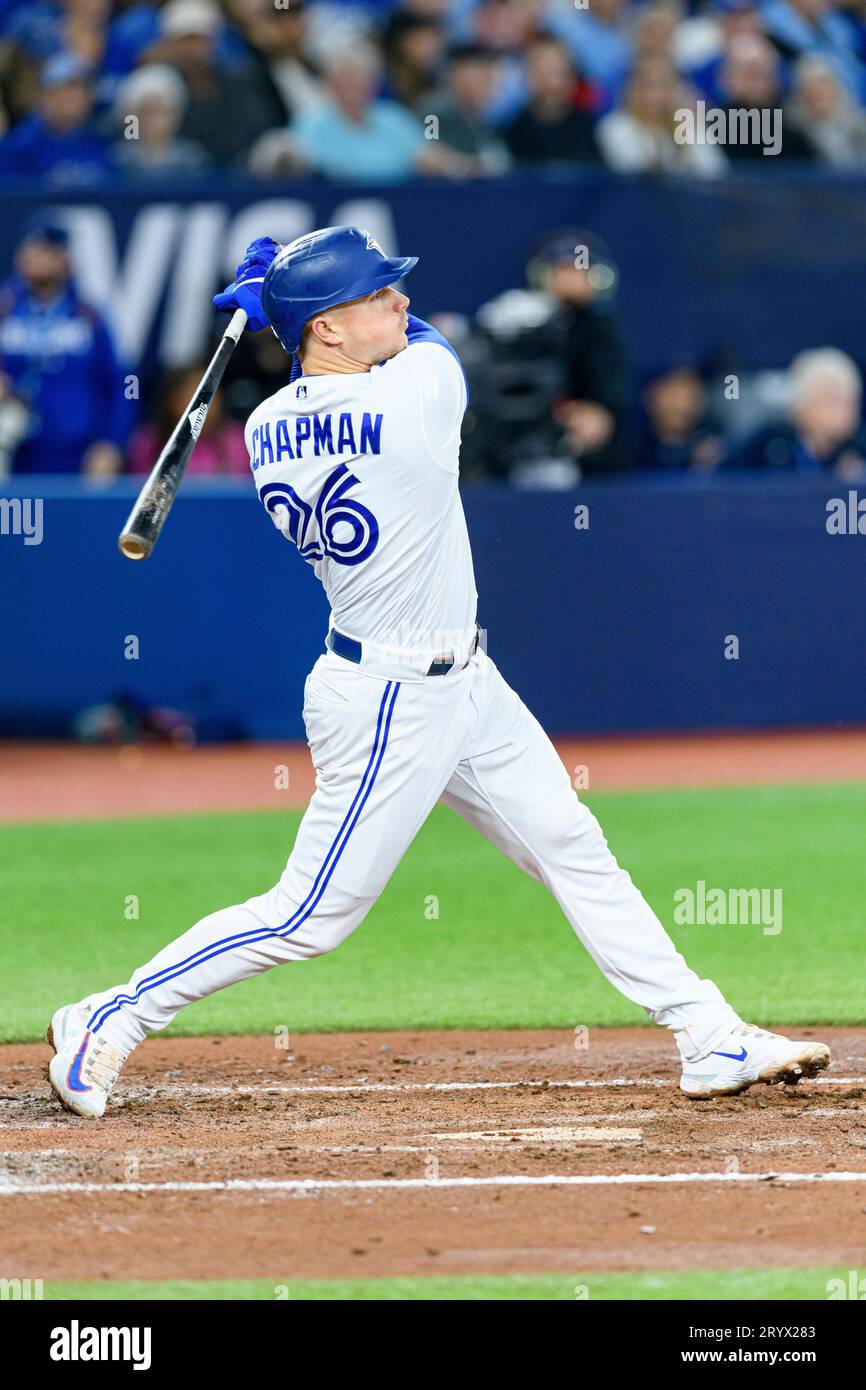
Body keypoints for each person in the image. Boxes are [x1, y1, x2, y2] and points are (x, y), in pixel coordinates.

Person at [46, 225, 831, 1119]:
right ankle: (108, 1016)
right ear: (330, 329)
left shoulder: (266, 426)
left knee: (569, 842)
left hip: (456, 679)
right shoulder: (416, 397)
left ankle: (708, 1033)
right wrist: (283, 297)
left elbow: (351, 361)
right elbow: (432, 348)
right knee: (311, 915)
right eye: (376, 294)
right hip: (391, 698)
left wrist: (281, 306)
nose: (402, 303)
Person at [0, 219, 132, 476]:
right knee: (20, 517)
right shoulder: (4, 311)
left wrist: (113, 442)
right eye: (30, 249)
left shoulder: (90, 317)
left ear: (65, 261)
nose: (35, 257)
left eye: (46, 251)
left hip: (78, 459)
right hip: (12, 454)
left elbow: (127, 382)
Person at [724, 348, 866, 476]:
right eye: (832, 401)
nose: (844, 413)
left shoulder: (859, 451)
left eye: (850, 402)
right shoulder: (766, 446)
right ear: (800, 405)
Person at [0, 52, 110, 184]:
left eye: (82, 89)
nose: (75, 97)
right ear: (46, 95)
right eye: (67, 89)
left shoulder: (101, 139)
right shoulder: (20, 145)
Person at [503, 34, 601, 166]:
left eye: (560, 74)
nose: (553, 84)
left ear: (573, 79)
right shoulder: (511, 130)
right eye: (544, 74)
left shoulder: (594, 130)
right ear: (528, 78)